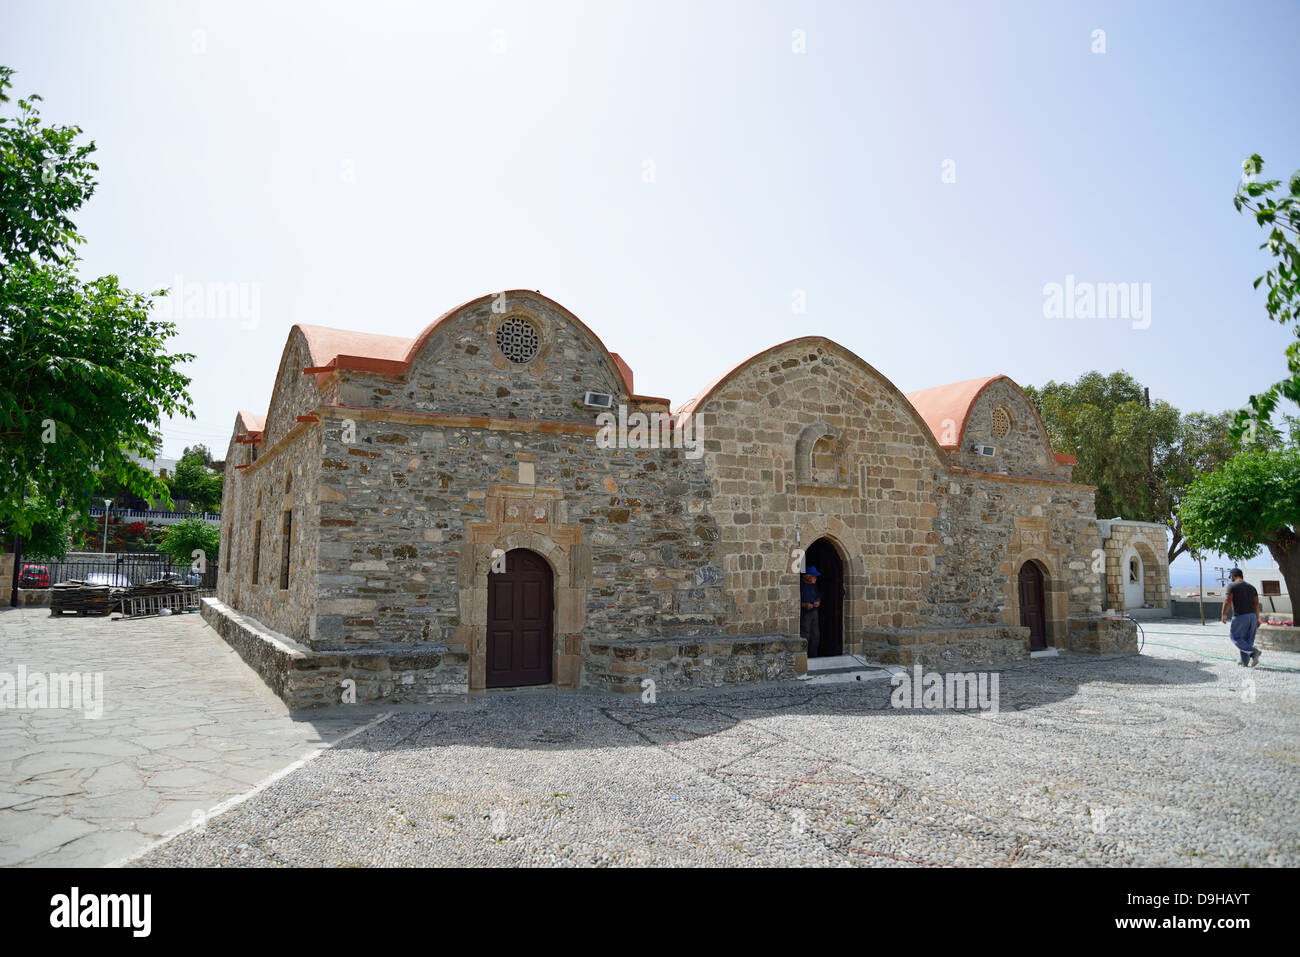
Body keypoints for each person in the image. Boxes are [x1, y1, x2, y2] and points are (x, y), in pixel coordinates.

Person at [1221, 568, 1262, 668]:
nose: (1230, 578)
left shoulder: (1232, 586)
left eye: (1230, 576)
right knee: (1247, 640)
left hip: (1240, 616)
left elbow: (1227, 600)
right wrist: (1257, 619)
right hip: (1252, 616)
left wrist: (1224, 614)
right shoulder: (1252, 587)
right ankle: (1244, 662)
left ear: (1233, 575)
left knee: (1235, 637)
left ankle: (1253, 652)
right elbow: (1256, 605)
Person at [800, 565, 821, 658]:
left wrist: (818, 602)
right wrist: (805, 605)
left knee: (815, 636)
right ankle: (805, 657)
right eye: (813, 576)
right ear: (807, 577)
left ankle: (814, 657)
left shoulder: (814, 585)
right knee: (805, 636)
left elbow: (818, 595)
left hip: (814, 613)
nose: (815, 578)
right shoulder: (800, 586)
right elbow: (794, 602)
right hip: (805, 614)